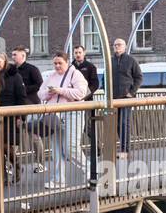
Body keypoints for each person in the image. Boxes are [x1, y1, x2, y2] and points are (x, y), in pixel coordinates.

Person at [39, 51, 90, 188]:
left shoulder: (75, 74)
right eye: (55, 63)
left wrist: (60, 90)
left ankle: (90, 171)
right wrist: (49, 92)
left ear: (67, 63)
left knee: (70, 147)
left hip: (73, 113)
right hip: (55, 115)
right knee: (56, 149)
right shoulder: (51, 76)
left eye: (60, 63)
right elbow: (40, 93)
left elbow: (81, 93)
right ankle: (58, 179)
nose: (57, 66)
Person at [10, 47, 46, 174]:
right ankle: (13, 165)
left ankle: (40, 164)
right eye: (12, 55)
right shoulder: (11, 71)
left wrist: (23, 90)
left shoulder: (32, 69)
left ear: (23, 56)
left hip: (31, 105)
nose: (13, 57)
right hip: (16, 107)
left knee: (34, 135)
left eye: (15, 54)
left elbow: (40, 84)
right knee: (13, 136)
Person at [0, 53, 28, 181]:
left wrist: (21, 116)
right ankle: (2, 177)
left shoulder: (15, 76)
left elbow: (21, 97)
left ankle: (17, 164)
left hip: (10, 116)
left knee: (6, 146)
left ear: (4, 62)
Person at [110, 37, 142, 154]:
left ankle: (125, 150)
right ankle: (122, 147)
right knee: (117, 123)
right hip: (113, 98)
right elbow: (105, 78)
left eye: (119, 45)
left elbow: (139, 77)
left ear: (125, 47)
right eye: (115, 45)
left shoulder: (131, 60)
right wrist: (106, 91)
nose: (117, 47)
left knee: (125, 123)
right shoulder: (110, 61)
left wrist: (131, 92)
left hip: (126, 97)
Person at [72, 43, 100, 151]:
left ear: (84, 53)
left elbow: (95, 84)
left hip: (86, 101)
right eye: (76, 53)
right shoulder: (71, 67)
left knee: (87, 126)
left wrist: (84, 95)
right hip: (73, 102)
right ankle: (74, 149)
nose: (78, 55)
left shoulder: (90, 67)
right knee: (74, 126)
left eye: (80, 52)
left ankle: (97, 146)